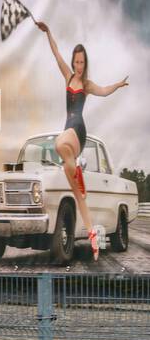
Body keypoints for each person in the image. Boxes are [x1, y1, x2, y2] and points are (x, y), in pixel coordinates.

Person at [34, 19, 129, 259]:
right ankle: (93, 238)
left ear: (85, 63)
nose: (77, 65)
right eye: (76, 61)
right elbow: (55, 53)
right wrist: (49, 31)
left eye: (81, 62)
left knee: (58, 144)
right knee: (78, 196)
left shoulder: (86, 84)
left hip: (78, 129)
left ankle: (75, 166)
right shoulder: (67, 77)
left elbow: (104, 90)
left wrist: (117, 85)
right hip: (68, 128)